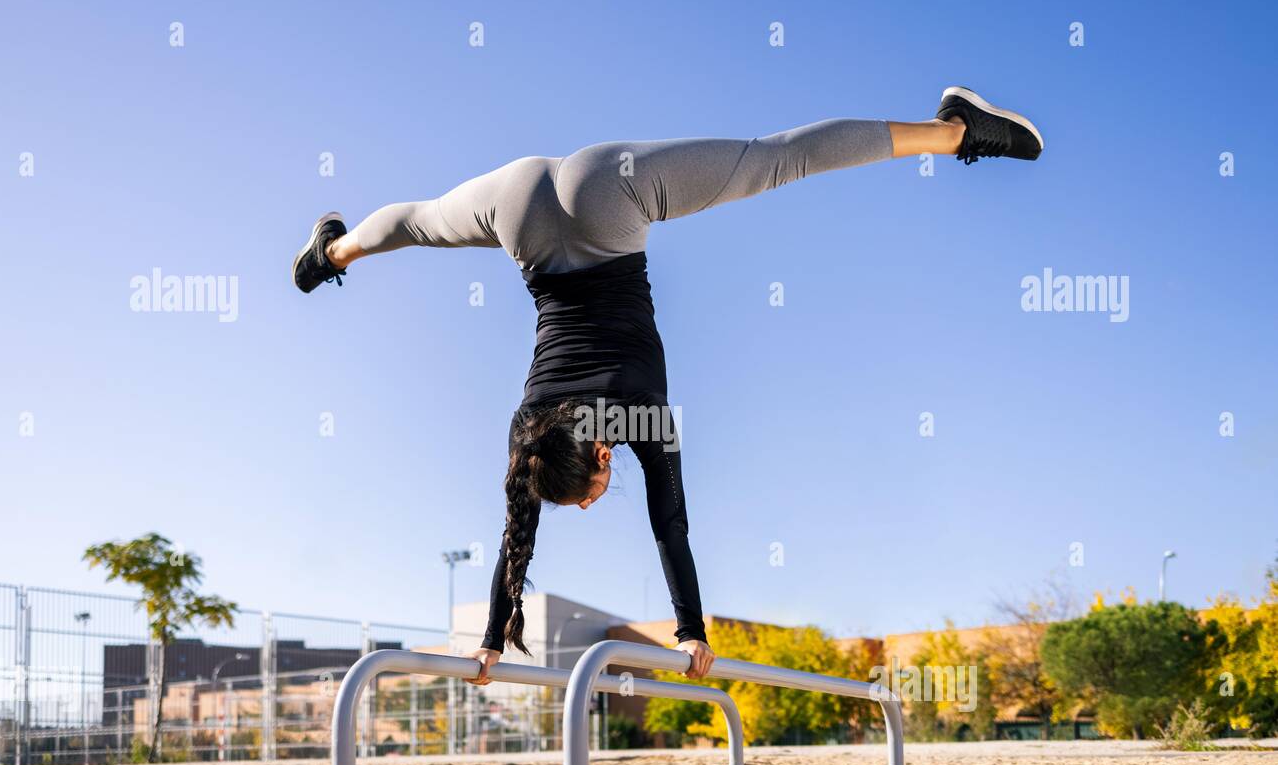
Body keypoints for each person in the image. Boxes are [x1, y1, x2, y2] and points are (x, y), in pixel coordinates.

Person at [292, 86, 1042, 684]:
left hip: (610, 205)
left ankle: (956, 130)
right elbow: (517, 540)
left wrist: (692, 628)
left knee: (775, 161)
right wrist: (491, 639)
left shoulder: (645, 423)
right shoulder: (530, 433)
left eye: (586, 498)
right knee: (423, 221)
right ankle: (337, 253)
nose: (588, 504)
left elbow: (669, 524)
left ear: (605, 459)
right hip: (526, 204)